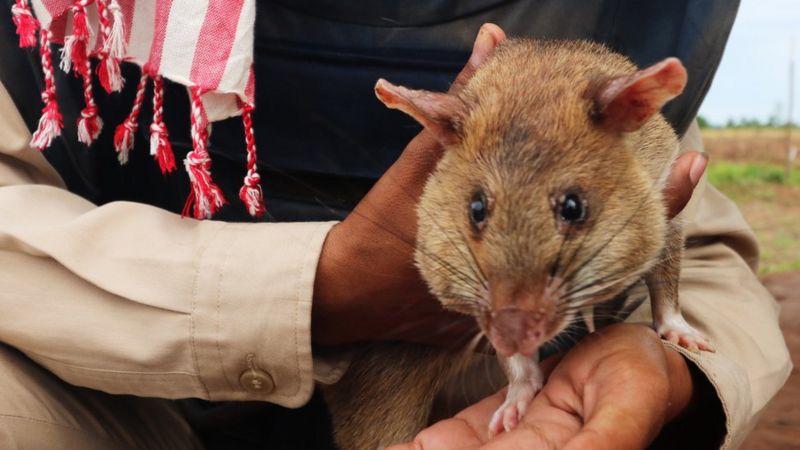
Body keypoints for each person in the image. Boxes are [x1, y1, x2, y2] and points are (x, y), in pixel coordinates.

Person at [0, 1, 791, 449]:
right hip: (118, 394)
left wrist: (676, 364)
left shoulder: (609, 107)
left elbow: (692, 233)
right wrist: (323, 290)